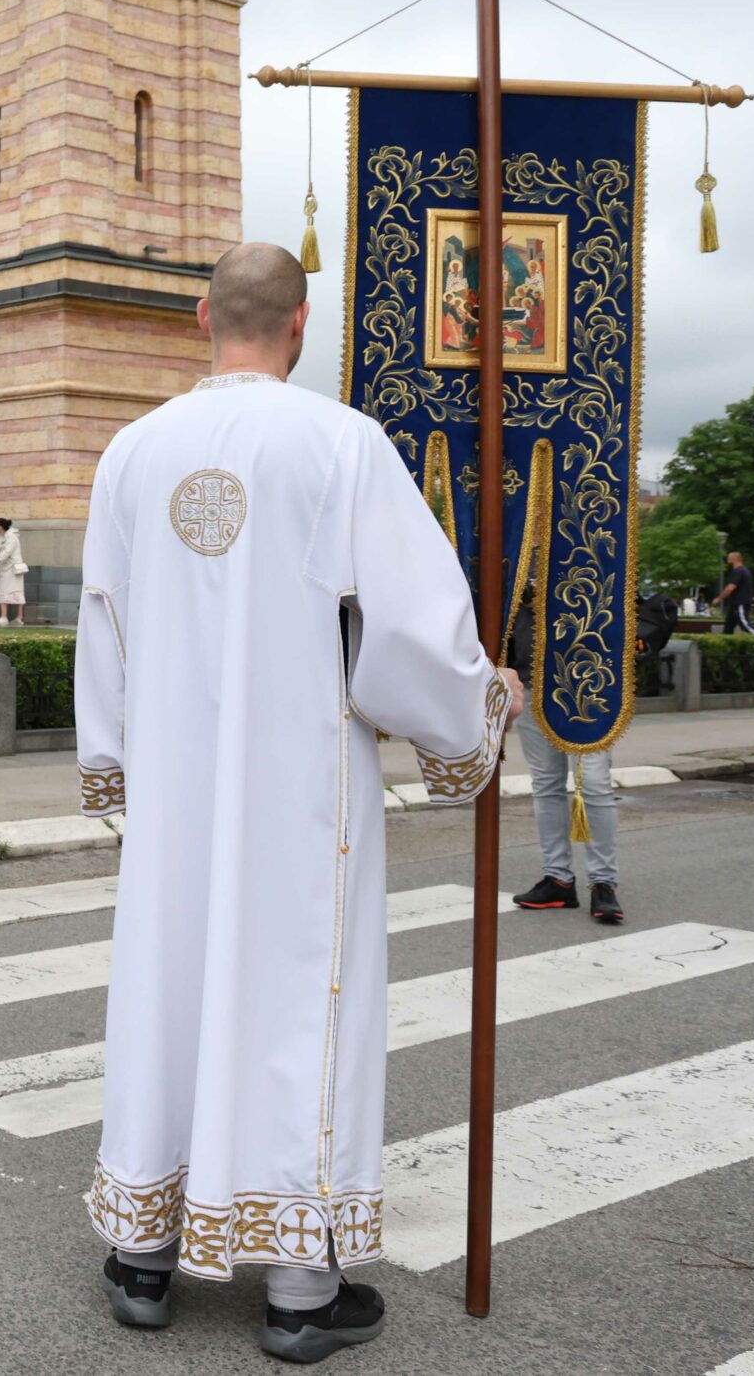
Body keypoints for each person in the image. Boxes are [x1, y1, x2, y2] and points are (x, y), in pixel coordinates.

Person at [75, 243, 519, 1363]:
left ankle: (142, 1254)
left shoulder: (130, 452)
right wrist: (476, 710)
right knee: (296, 1010)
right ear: (301, 325)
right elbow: (413, 624)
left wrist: (115, 759)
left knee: (169, 989)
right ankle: (298, 1295)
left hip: (178, 788)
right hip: (300, 790)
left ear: (199, 317)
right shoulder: (340, 444)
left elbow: (104, 624)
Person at [508, 589, 624, 925]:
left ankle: (604, 882)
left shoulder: (587, 537)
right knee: (546, 783)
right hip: (530, 678)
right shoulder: (518, 542)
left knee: (596, 785)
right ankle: (558, 878)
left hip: (590, 679)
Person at [0, 515, 28, 626]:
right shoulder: (3, 537)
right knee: (8, 591)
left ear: (1, 527)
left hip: (12, 569)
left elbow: (7, 552)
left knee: (12, 591)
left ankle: (10, 617)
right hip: (7, 569)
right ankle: (12, 617)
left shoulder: (11, 537)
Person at [719, 550, 754, 634]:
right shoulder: (743, 570)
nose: (728, 559)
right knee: (728, 627)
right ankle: (726, 643)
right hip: (735, 603)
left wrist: (719, 598)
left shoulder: (738, 571)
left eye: (729, 557)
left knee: (744, 624)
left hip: (740, 602)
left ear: (735, 558)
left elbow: (731, 587)